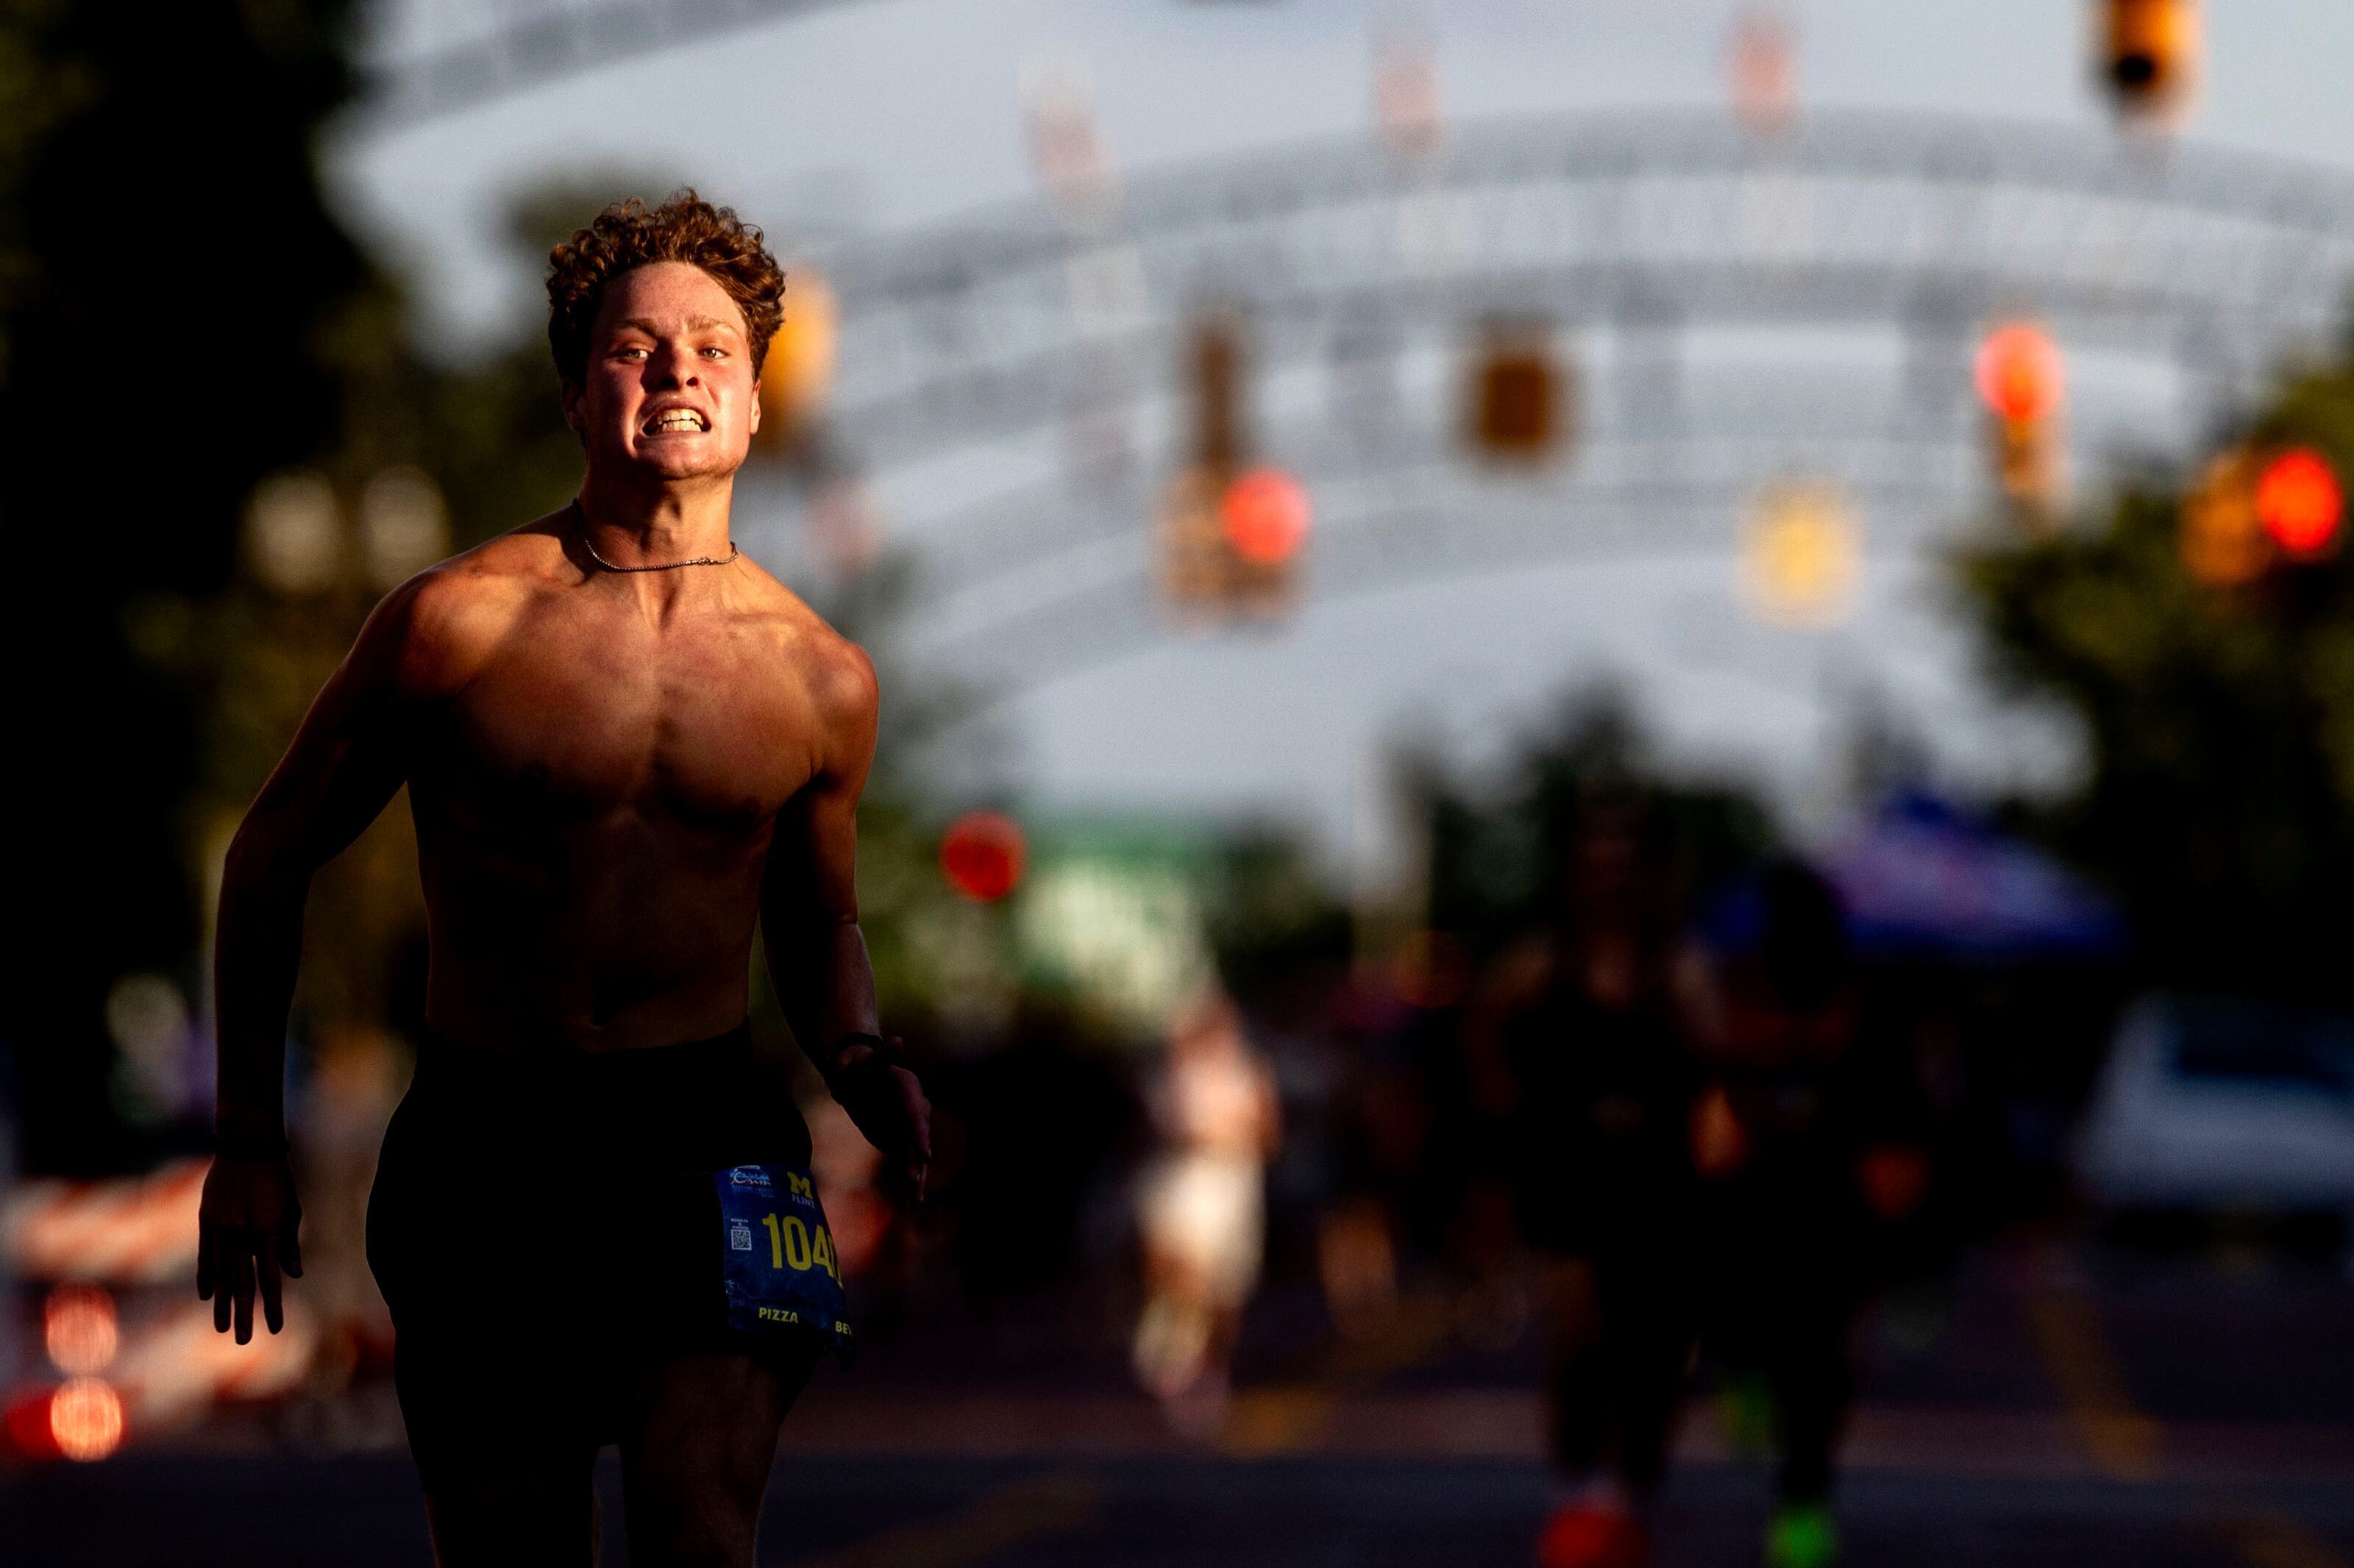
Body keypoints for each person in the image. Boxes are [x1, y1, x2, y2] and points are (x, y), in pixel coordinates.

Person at [196, 191, 931, 1567]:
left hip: (709, 1131)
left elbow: (818, 912)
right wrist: (247, 1140)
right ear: (575, 390)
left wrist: (857, 1046)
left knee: (701, 1526)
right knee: (511, 1546)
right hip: (492, 1134)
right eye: (636, 345)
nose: (678, 371)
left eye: (715, 349)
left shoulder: (823, 678)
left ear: (758, 405)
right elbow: (269, 856)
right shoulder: (453, 625)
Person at [1466, 797, 1704, 1568]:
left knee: (1653, 1350)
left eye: (1624, 862)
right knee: (1577, 1334)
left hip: (1657, 1179)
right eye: (1596, 861)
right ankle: (1575, 1491)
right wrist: (1509, 1117)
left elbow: (1717, 1067)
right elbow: (1483, 1038)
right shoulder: (1540, 964)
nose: (1610, 877)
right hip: (1568, 1172)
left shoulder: (1678, 969)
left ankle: (1627, 1490)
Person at [1131, 991, 1281, 1435]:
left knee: (1226, 1289)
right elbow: (1163, 1130)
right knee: (1185, 1275)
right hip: (1189, 1188)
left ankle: (1209, 1367)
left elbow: (1267, 1134)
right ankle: (1176, 1358)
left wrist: (1235, 1134)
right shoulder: (1177, 1075)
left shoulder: (1249, 1073)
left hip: (1235, 1188)